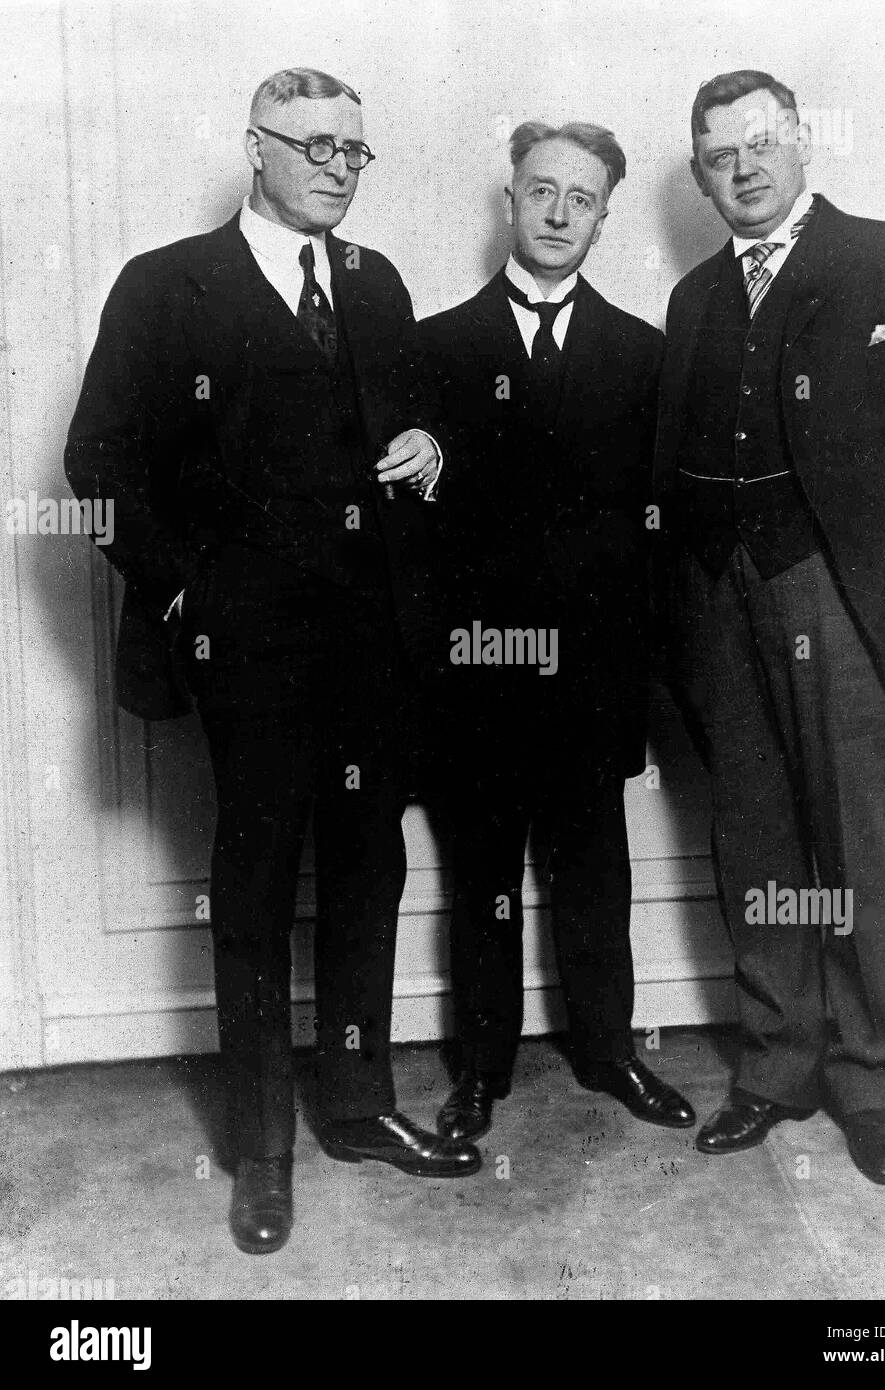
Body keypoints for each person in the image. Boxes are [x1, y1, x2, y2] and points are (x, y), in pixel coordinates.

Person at [65, 67, 480, 1257]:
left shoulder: (376, 280)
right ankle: (261, 1152)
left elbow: (413, 425)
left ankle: (355, 1106)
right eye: (315, 147)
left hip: (374, 650)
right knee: (252, 891)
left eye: (357, 151)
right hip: (249, 655)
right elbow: (97, 458)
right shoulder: (167, 286)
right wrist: (189, 586)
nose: (338, 168)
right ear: (255, 149)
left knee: (368, 873)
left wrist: (430, 444)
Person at [654, 70, 885, 1183]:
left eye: (759, 143)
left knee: (854, 847)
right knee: (752, 838)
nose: (742, 168)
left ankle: (866, 1082)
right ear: (701, 176)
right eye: (719, 156)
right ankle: (774, 1065)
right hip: (722, 601)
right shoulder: (697, 297)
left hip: (849, 605)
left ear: (802, 141)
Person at [420, 121, 695, 1141]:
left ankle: (609, 1051)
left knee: (594, 870)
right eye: (542, 191)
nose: (559, 213)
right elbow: (414, 532)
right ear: (510, 198)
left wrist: (637, 676)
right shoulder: (437, 344)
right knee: (482, 877)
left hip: (590, 679)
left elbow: (656, 534)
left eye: (582, 198)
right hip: (476, 678)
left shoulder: (643, 354)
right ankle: (479, 1072)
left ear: (605, 215)